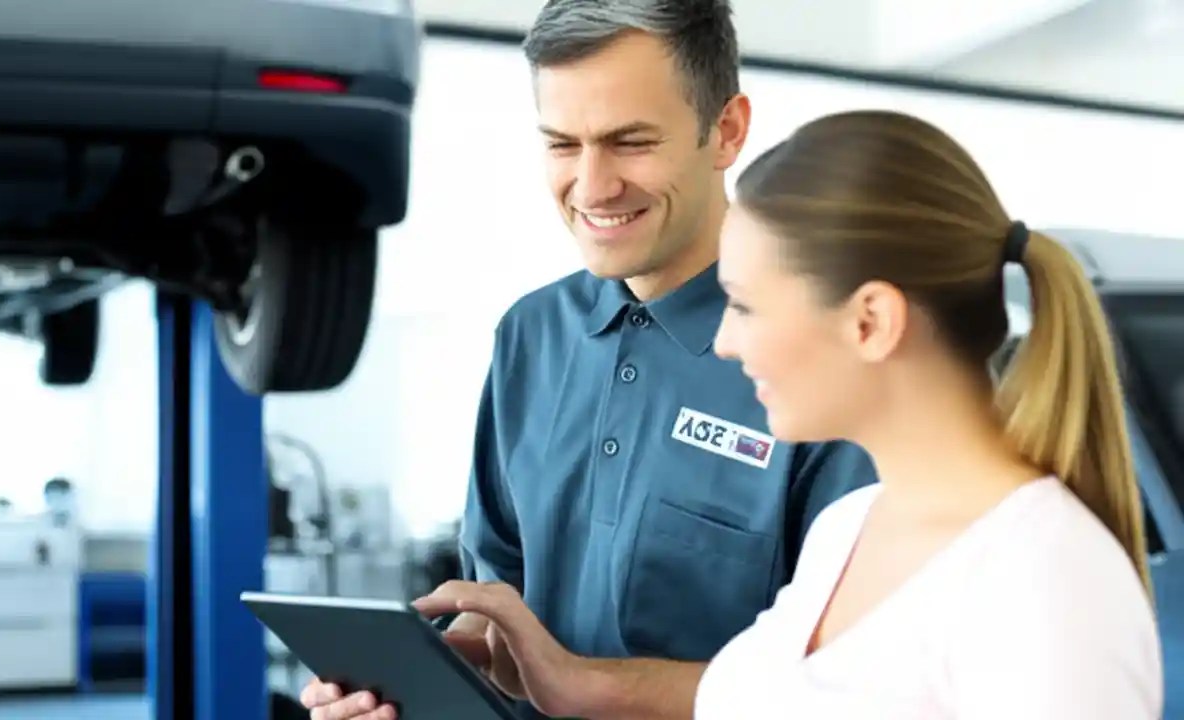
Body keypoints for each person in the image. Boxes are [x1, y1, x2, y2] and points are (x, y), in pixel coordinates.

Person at [412, 110, 1166, 718]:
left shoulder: (1047, 580)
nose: (727, 341)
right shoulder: (854, 528)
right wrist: (559, 677)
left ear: (869, 321)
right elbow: (742, 702)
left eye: (745, 305)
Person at [301, 1, 877, 719]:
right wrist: (424, 679)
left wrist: (584, 683)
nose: (593, 186)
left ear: (725, 131)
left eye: (631, 142)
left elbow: (856, 680)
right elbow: (497, 596)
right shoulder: (531, 335)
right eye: (563, 145)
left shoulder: (827, 357)